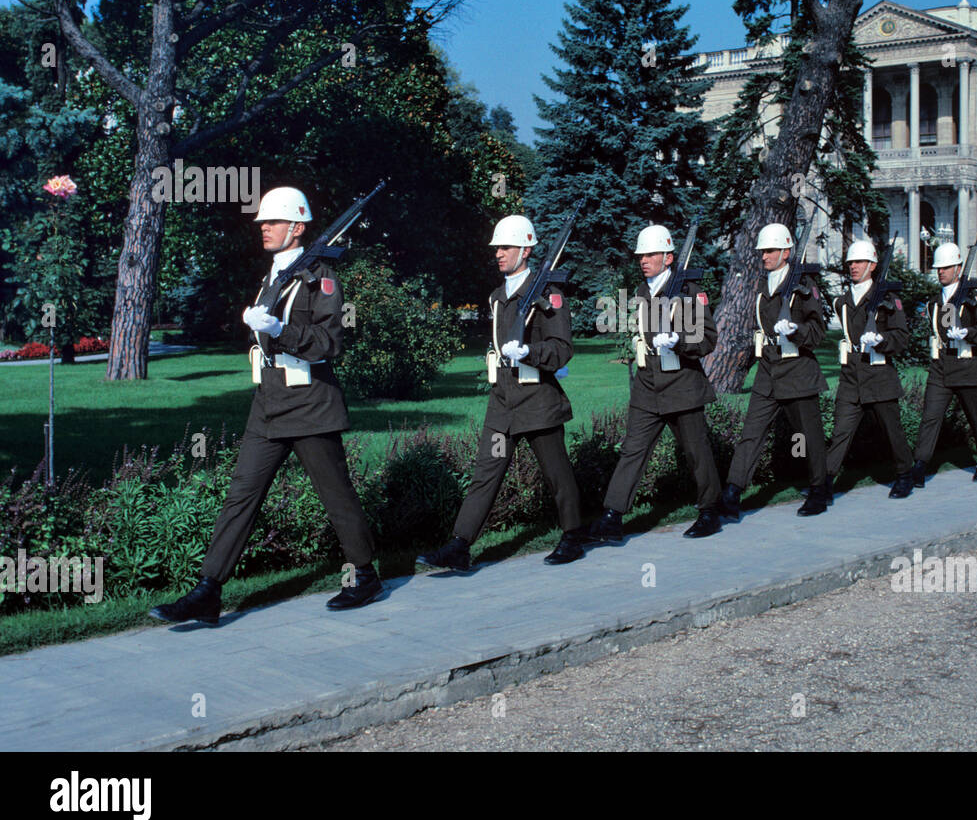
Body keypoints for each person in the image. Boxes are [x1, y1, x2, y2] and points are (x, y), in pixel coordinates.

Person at [150, 187, 382, 625]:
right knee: (241, 494)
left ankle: (365, 575)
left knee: (335, 495)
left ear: (297, 227)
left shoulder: (321, 276)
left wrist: (277, 328)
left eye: (272, 222)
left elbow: (330, 342)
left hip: (310, 403)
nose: (263, 228)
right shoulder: (276, 275)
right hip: (269, 403)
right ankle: (208, 591)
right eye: (262, 222)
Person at [417, 214, 586, 568]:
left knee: (556, 473)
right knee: (486, 473)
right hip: (503, 404)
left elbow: (562, 349)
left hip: (537, 401)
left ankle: (573, 536)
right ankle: (460, 545)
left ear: (525, 250)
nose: (498, 253)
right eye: (497, 248)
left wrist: (530, 353)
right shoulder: (497, 297)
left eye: (506, 247)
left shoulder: (548, 294)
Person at [588, 225, 724, 542]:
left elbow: (708, 339)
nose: (644, 260)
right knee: (633, 450)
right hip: (648, 383)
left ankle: (710, 511)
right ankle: (612, 517)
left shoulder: (689, 292)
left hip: (682, 383)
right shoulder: (640, 292)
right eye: (641, 255)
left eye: (650, 254)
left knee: (696, 451)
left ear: (669, 257)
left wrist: (679, 339)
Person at [720, 223, 829, 518]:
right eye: (762, 251)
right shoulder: (762, 285)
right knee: (752, 431)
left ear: (786, 251)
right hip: (769, 368)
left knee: (807, 436)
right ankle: (732, 491)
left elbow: (818, 331)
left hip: (797, 369)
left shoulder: (804, 285)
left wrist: (796, 329)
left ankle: (819, 489)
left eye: (769, 250)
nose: (764, 256)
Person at [826, 239, 915, 499]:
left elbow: (901, 336)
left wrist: (882, 340)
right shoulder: (842, 301)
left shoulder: (888, 299)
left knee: (891, 431)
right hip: (851, 375)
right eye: (851, 262)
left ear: (873, 265)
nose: (853, 266)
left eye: (860, 261)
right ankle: (824, 484)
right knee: (841, 431)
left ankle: (904, 475)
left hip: (879, 374)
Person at [911, 241, 977, 486]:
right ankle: (920, 465)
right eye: (938, 268)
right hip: (941, 367)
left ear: (958, 268)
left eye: (946, 267)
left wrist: (967, 333)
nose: (941, 271)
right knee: (930, 417)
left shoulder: (972, 298)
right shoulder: (935, 302)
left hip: (967, 365)